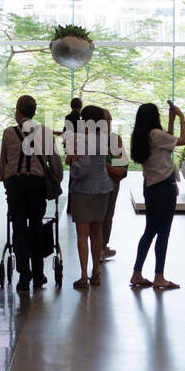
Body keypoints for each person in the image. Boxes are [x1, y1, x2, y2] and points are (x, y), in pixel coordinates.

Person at [0, 94, 62, 293]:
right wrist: (56, 181)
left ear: (18, 111)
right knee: (36, 227)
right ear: (34, 112)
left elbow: (3, 163)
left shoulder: (9, 133)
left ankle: (23, 278)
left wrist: (6, 183)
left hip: (16, 185)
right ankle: (38, 275)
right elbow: (56, 163)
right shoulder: (45, 132)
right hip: (36, 185)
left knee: (18, 230)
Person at [129, 101, 185, 292]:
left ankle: (137, 273)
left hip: (151, 186)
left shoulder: (141, 135)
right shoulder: (156, 134)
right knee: (163, 233)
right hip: (164, 187)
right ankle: (159, 277)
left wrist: (171, 121)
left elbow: (167, 141)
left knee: (150, 231)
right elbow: (182, 140)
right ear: (154, 117)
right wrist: (182, 119)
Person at [67, 105, 113, 289]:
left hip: (84, 190)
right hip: (102, 189)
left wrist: (72, 163)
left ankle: (83, 275)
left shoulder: (80, 140)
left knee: (82, 234)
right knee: (96, 233)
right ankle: (96, 272)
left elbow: (83, 168)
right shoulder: (103, 139)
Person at [101, 107, 128, 260]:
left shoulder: (92, 139)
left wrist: (105, 166)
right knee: (107, 215)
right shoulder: (114, 138)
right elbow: (122, 165)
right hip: (112, 180)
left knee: (101, 216)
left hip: (106, 180)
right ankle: (103, 246)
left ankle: (100, 247)